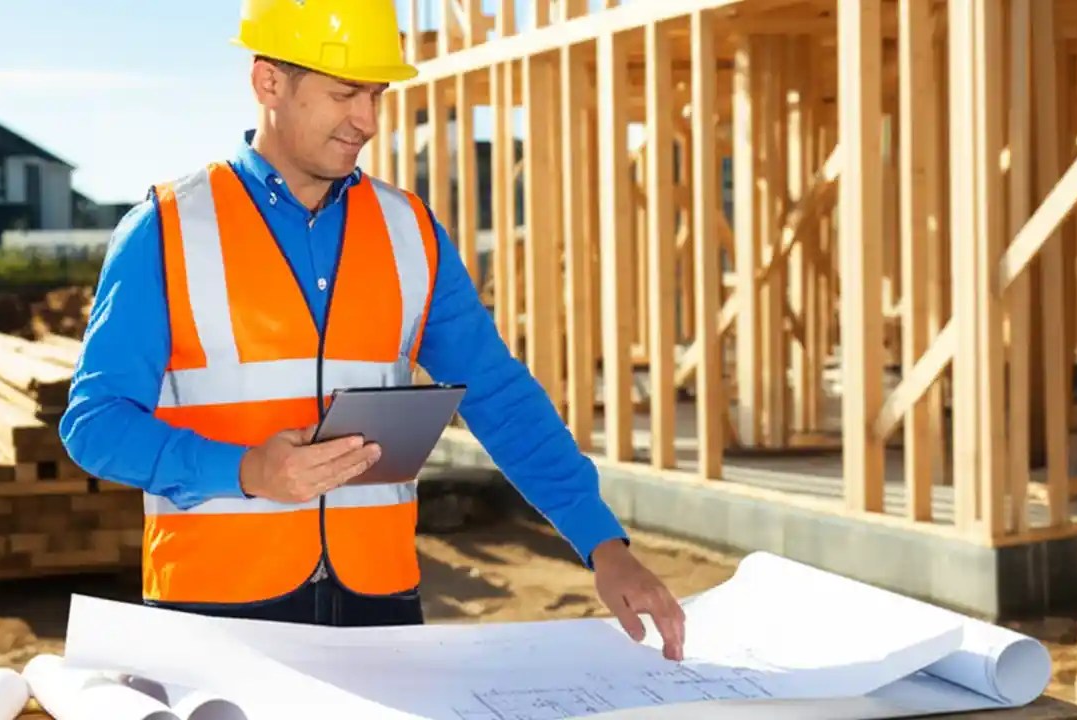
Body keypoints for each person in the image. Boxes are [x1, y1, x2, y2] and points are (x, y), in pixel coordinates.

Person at [60, 0, 686, 660]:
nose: (368, 120)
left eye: (377, 94)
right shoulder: (166, 230)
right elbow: (94, 424)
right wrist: (245, 469)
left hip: (380, 611)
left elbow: (499, 398)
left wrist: (604, 546)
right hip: (218, 614)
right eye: (345, 93)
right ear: (268, 82)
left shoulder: (409, 231)